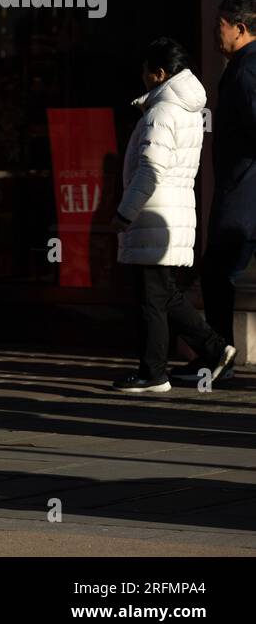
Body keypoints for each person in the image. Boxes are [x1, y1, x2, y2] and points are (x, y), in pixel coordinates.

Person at [110, 37, 236, 392]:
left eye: (146, 71)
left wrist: (124, 213)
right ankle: (214, 349)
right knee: (164, 293)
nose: (143, 76)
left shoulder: (161, 111)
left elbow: (150, 170)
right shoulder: (188, 109)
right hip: (173, 209)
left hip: (153, 212)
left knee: (151, 298)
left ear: (159, 73)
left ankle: (153, 373)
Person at [187, 0, 256, 382]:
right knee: (218, 274)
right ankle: (216, 357)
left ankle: (217, 358)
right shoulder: (243, 67)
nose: (217, 33)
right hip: (244, 192)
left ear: (239, 28)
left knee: (216, 273)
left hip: (245, 195)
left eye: (220, 26)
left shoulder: (247, 71)